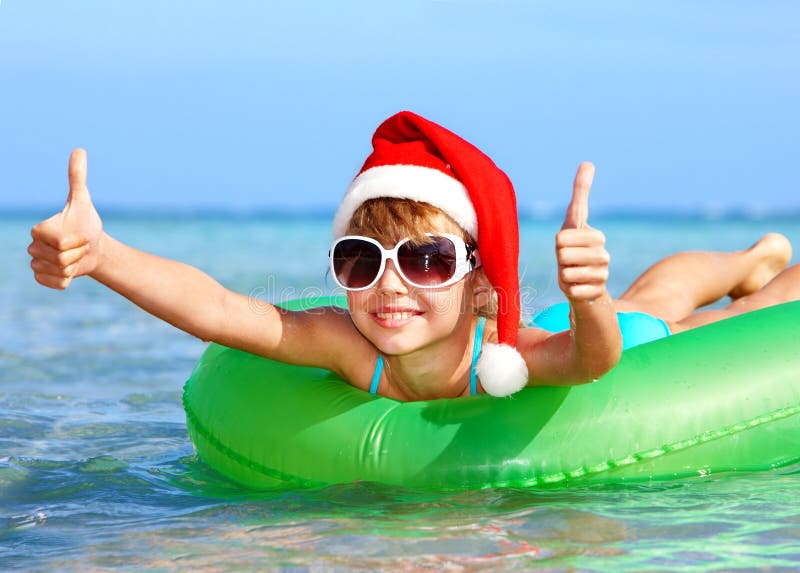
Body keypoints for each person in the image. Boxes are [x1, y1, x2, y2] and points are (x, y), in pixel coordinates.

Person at [28, 111, 800, 400]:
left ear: (477, 281)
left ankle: (756, 262)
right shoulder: (349, 347)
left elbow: (595, 360)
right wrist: (103, 254)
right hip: (573, 318)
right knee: (653, 291)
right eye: (363, 260)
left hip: (600, 332)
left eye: (427, 260)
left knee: (662, 311)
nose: (389, 285)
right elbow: (225, 309)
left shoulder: (513, 354)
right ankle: (753, 254)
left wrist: (591, 301)